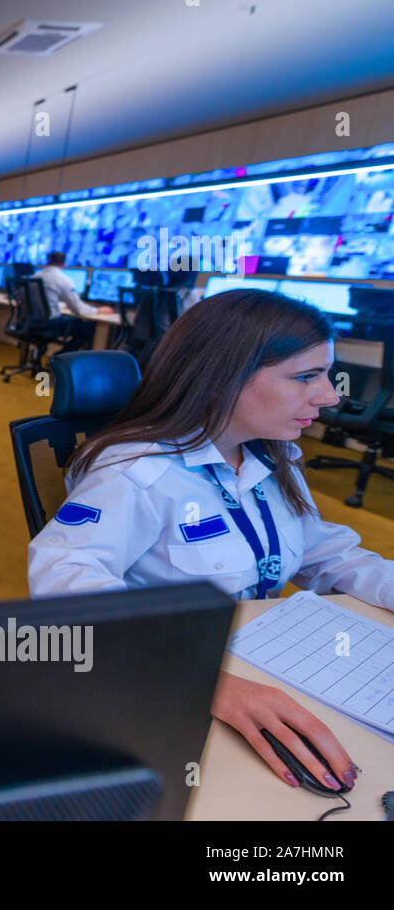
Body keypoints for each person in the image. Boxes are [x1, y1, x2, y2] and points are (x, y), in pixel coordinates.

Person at [28, 289, 394, 791]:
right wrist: (201, 680)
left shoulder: (272, 455)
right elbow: (63, 582)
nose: (330, 396)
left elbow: (320, 548)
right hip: (164, 675)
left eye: (326, 375)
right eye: (306, 377)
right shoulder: (135, 472)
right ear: (225, 375)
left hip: (258, 655)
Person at [33, 251, 105, 353]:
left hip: (33, 322)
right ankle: (59, 357)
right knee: (87, 327)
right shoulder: (63, 279)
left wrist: (61, 305)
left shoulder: (36, 276)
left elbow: (45, 300)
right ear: (64, 264)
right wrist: (97, 310)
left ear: (48, 261)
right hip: (50, 323)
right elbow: (78, 310)